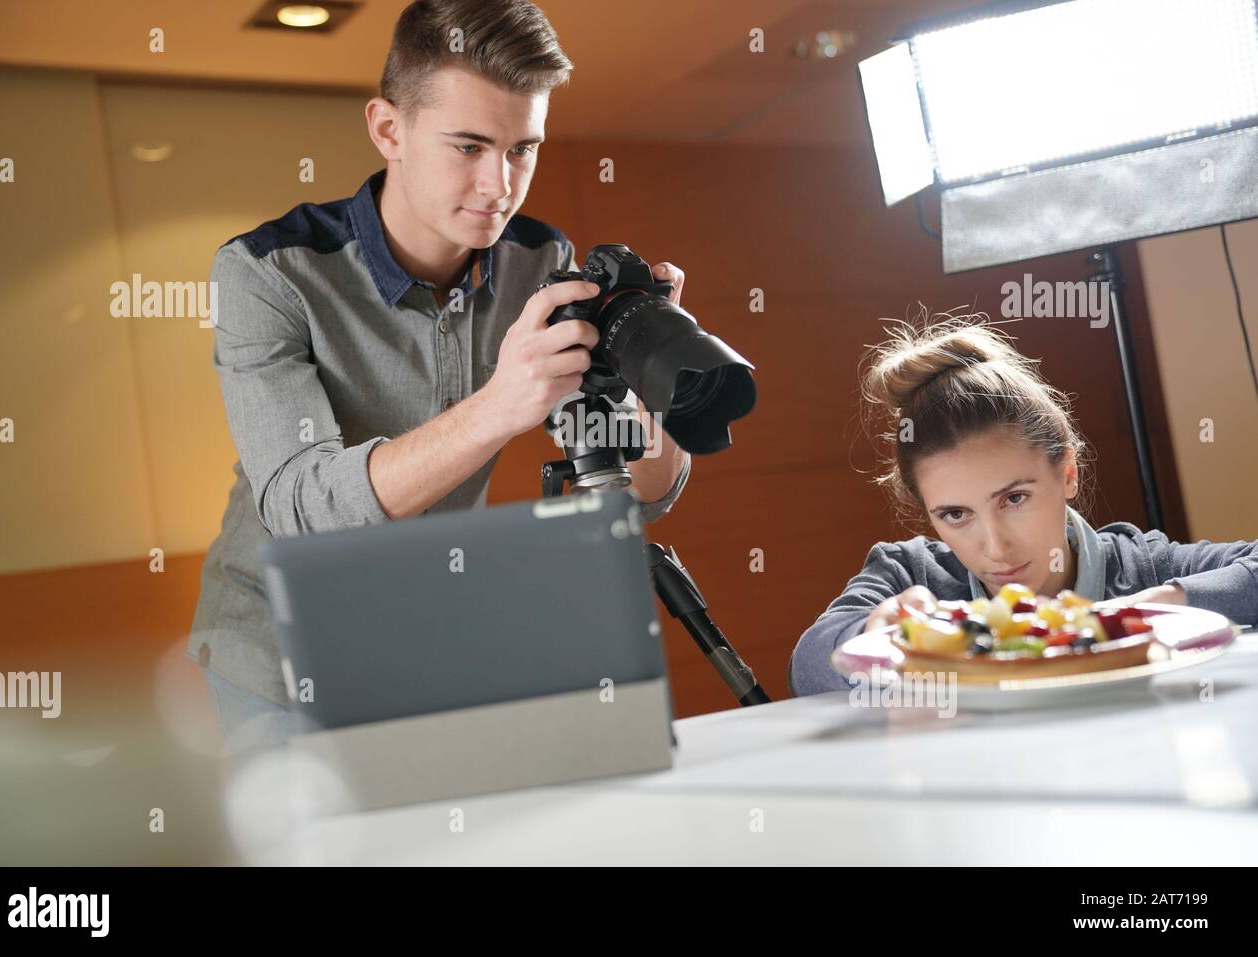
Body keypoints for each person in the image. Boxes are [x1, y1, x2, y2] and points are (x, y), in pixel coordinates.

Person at [189, 0, 692, 754]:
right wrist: (499, 405)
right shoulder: (264, 275)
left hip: (428, 629)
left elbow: (642, 494)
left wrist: (647, 373)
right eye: (469, 146)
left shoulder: (536, 262)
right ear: (389, 129)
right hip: (275, 659)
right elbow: (306, 512)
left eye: (524, 149)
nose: (500, 183)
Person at [789, 313, 1258, 696]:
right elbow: (807, 668)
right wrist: (878, 633)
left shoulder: (1143, 568)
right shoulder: (910, 575)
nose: (996, 547)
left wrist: (1161, 607)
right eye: (955, 515)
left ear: (1067, 474)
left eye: (1015, 498)